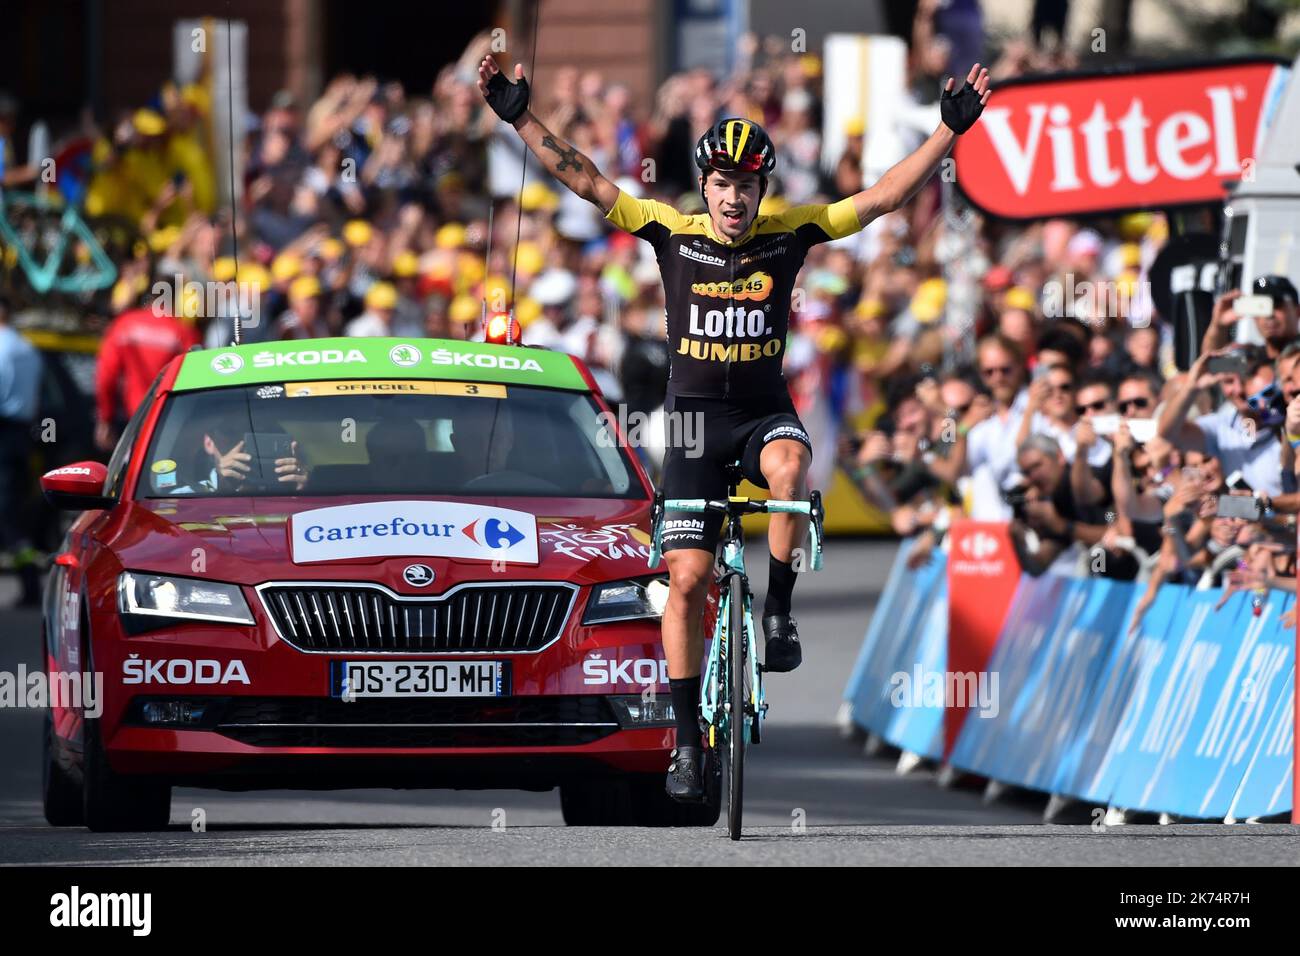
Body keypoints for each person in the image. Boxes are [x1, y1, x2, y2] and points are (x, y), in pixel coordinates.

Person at [478, 52, 991, 801]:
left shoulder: (791, 233)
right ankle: (687, 743)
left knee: (790, 470)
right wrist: (521, 116)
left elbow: (880, 199)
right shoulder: (670, 231)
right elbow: (587, 179)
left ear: (761, 191)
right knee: (684, 582)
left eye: (746, 185)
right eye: (722, 183)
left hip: (761, 413)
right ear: (707, 185)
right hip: (692, 427)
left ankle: (777, 614)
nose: (732, 197)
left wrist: (949, 131)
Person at [95, 291, 200, 451]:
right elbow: (195, 380)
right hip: (170, 423)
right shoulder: (182, 331)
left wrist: (106, 418)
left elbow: (106, 377)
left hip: (133, 421)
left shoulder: (125, 324)